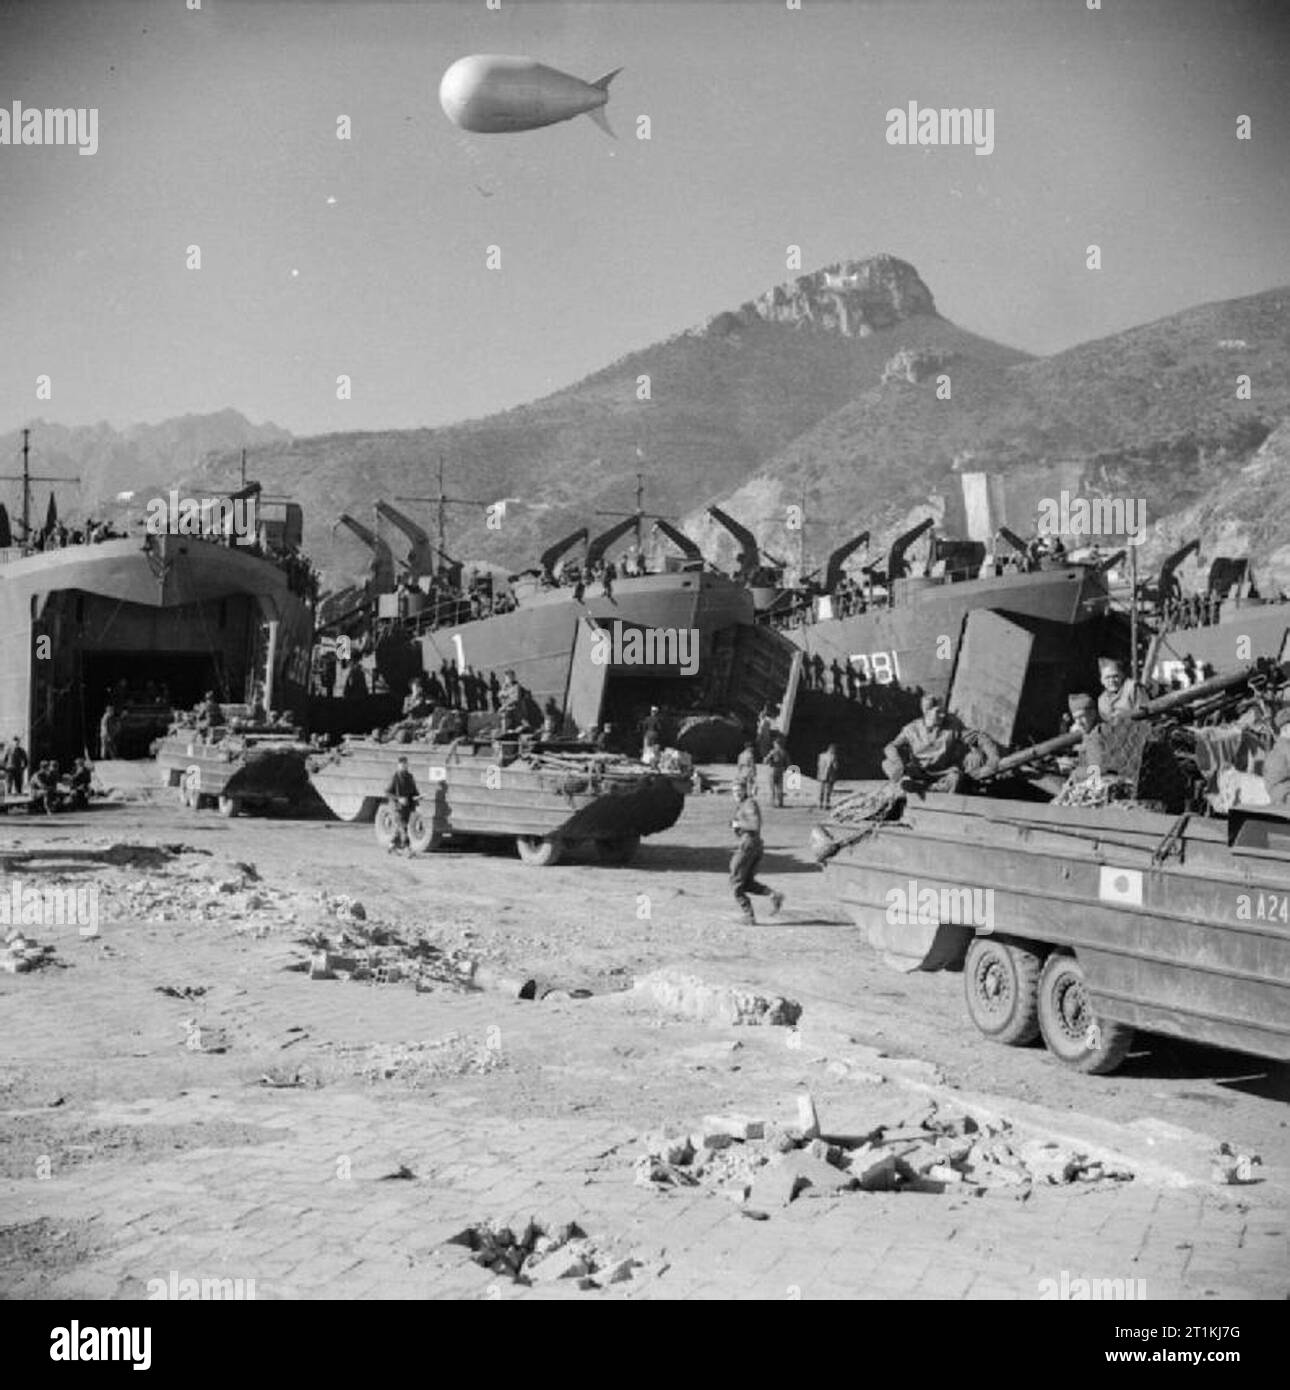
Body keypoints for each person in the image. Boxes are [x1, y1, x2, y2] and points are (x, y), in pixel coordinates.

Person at [882, 693, 1000, 794]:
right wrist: (898, 763)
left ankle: (927, 788)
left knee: (956, 778)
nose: (943, 715)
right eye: (938, 712)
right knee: (887, 763)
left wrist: (993, 757)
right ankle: (910, 784)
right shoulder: (911, 730)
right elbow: (891, 746)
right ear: (926, 712)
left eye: (944, 711)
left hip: (943, 772)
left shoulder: (953, 726)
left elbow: (979, 737)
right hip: (918, 770)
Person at [729, 791, 783, 925]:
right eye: (734, 790)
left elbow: (755, 825)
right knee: (746, 883)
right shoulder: (744, 804)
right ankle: (773, 894)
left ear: (744, 790)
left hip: (748, 845)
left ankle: (749, 916)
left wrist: (737, 825)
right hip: (752, 844)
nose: (735, 793)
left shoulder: (749, 804)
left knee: (735, 882)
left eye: (738, 790)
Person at [384, 755, 420, 851]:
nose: (404, 766)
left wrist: (418, 797)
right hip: (397, 807)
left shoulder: (410, 777)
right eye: (401, 765)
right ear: (398, 766)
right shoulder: (395, 777)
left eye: (405, 764)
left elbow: (414, 791)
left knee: (400, 827)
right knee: (403, 827)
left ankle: (392, 845)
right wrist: (398, 799)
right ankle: (408, 848)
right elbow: (387, 792)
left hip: (407, 807)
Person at [1096, 658, 1147, 723]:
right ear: (1101, 680)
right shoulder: (1102, 700)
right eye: (1107, 677)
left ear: (1122, 675)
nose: (1112, 681)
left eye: (1115, 676)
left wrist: (1124, 715)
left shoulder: (1133, 688)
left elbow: (1145, 712)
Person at [1261, 708, 1290, 807]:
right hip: (1285, 793)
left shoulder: (1277, 746)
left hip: (1275, 791)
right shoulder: (1286, 746)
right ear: (1286, 729)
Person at [764, 734, 789, 808]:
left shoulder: (773, 751)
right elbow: (788, 762)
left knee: (772, 787)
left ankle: (773, 803)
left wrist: (766, 760)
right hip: (780, 769)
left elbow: (766, 761)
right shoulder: (784, 752)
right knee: (779, 787)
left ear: (776, 744)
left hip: (773, 769)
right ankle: (780, 803)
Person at [816, 743, 840, 809]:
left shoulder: (821, 756)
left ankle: (820, 804)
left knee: (821, 790)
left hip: (822, 775)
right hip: (830, 776)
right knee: (828, 791)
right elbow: (835, 767)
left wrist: (819, 774)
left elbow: (819, 766)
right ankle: (826, 804)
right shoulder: (833, 757)